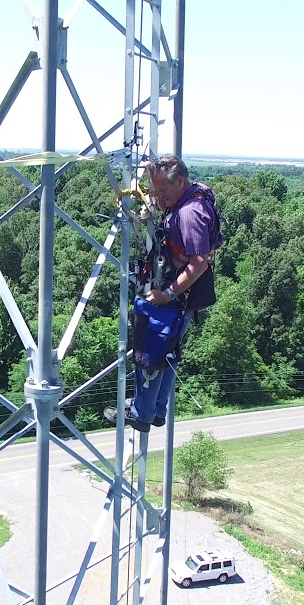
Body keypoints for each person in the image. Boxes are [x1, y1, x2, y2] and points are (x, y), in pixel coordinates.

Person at [106, 155, 223, 432]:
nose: (159, 197)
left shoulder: (190, 213)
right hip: (184, 295)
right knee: (167, 353)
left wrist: (167, 294)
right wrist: (160, 195)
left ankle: (141, 413)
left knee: (151, 352)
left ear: (180, 181)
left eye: (163, 191)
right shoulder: (191, 194)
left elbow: (198, 262)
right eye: (155, 191)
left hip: (177, 296)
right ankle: (157, 410)